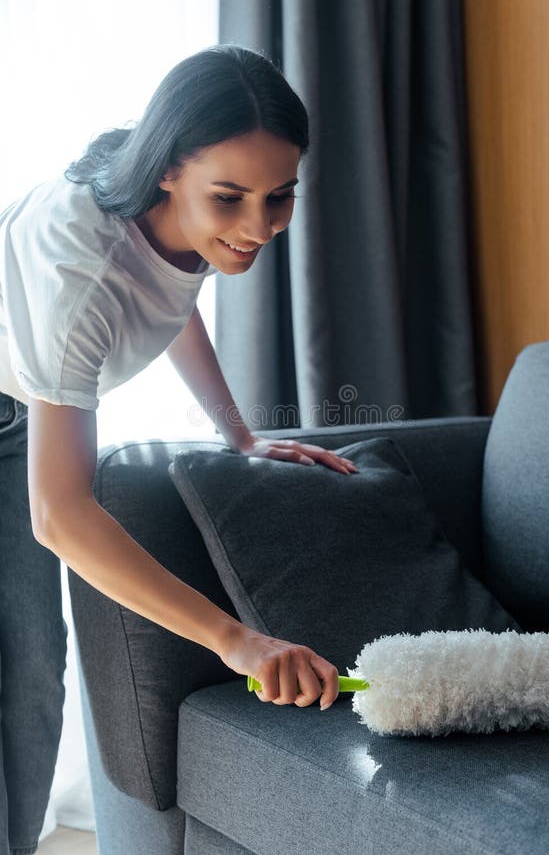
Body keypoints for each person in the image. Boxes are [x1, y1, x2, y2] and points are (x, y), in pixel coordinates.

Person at [0, 44, 358, 855]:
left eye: (280, 197)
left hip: (20, 407)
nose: (257, 229)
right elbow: (60, 515)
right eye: (230, 199)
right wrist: (238, 640)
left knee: (29, 682)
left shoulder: (174, 213)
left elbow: (171, 297)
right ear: (167, 171)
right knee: (15, 680)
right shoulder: (79, 278)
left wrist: (238, 434)